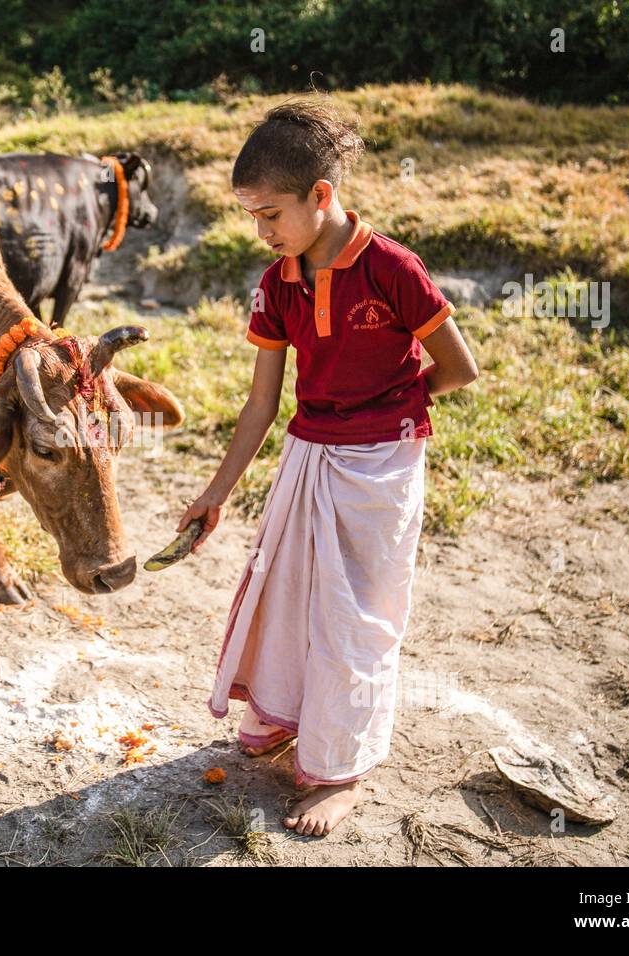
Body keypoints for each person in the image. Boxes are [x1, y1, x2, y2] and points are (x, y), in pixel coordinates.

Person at [174, 97, 479, 837]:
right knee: (291, 597)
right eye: (251, 215)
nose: (262, 231)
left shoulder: (392, 267)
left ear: (322, 196)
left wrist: (390, 407)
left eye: (271, 212)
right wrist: (212, 495)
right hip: (308, 454)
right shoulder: (278, 282)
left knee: (356, 619)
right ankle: (287, 720)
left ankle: (341, 772)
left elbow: (459, 368)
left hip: (382, 465)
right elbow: (259, 407)